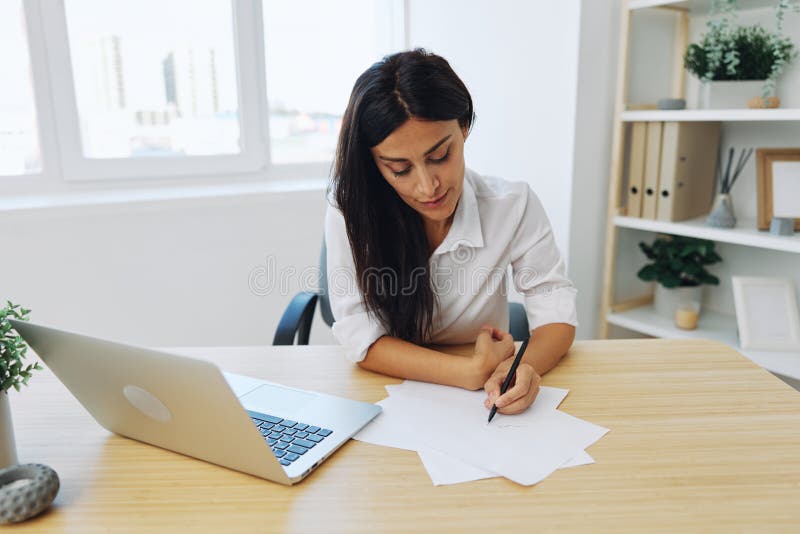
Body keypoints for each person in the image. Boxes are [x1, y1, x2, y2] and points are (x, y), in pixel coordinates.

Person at [326, 49, 577, 416]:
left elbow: (554, 304)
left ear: (464, 127)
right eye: (400, 169)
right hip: (385, 391)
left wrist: (522, 368)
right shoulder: (349, 208)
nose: (428, 187)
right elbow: (360, 336)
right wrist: (468, 372)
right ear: (374, 163)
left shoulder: (513, 204)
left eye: (440, 156)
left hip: (480, 393)